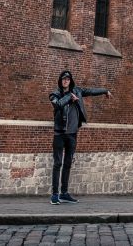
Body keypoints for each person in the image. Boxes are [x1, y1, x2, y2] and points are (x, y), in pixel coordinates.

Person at [48, 69, 111, 205]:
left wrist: (105, 91)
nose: (66, 81)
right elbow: (57, 105)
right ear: (60, 81)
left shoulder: (77, 91)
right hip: (59, 134)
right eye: (64, 79)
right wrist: (69, 97)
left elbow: (91, 91)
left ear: (71, 81)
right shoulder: (55, 94)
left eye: (68, 79)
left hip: (72, 134)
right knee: (57, 163)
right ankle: (54, 194)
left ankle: (64, 193)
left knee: (68, 164)